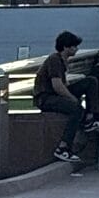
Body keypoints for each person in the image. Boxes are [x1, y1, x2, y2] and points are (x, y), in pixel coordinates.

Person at [34, 30, 88, 165]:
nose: (77, 49)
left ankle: (91, 117)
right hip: (46, 97)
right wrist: (72, 98)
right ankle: (63, 147)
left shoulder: (63, 61)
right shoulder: (54, 60)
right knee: (76, 109)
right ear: (65, 47)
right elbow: (57, 85)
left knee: (90, 82)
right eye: (74, 46)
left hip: (54, 95)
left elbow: (64, 84)